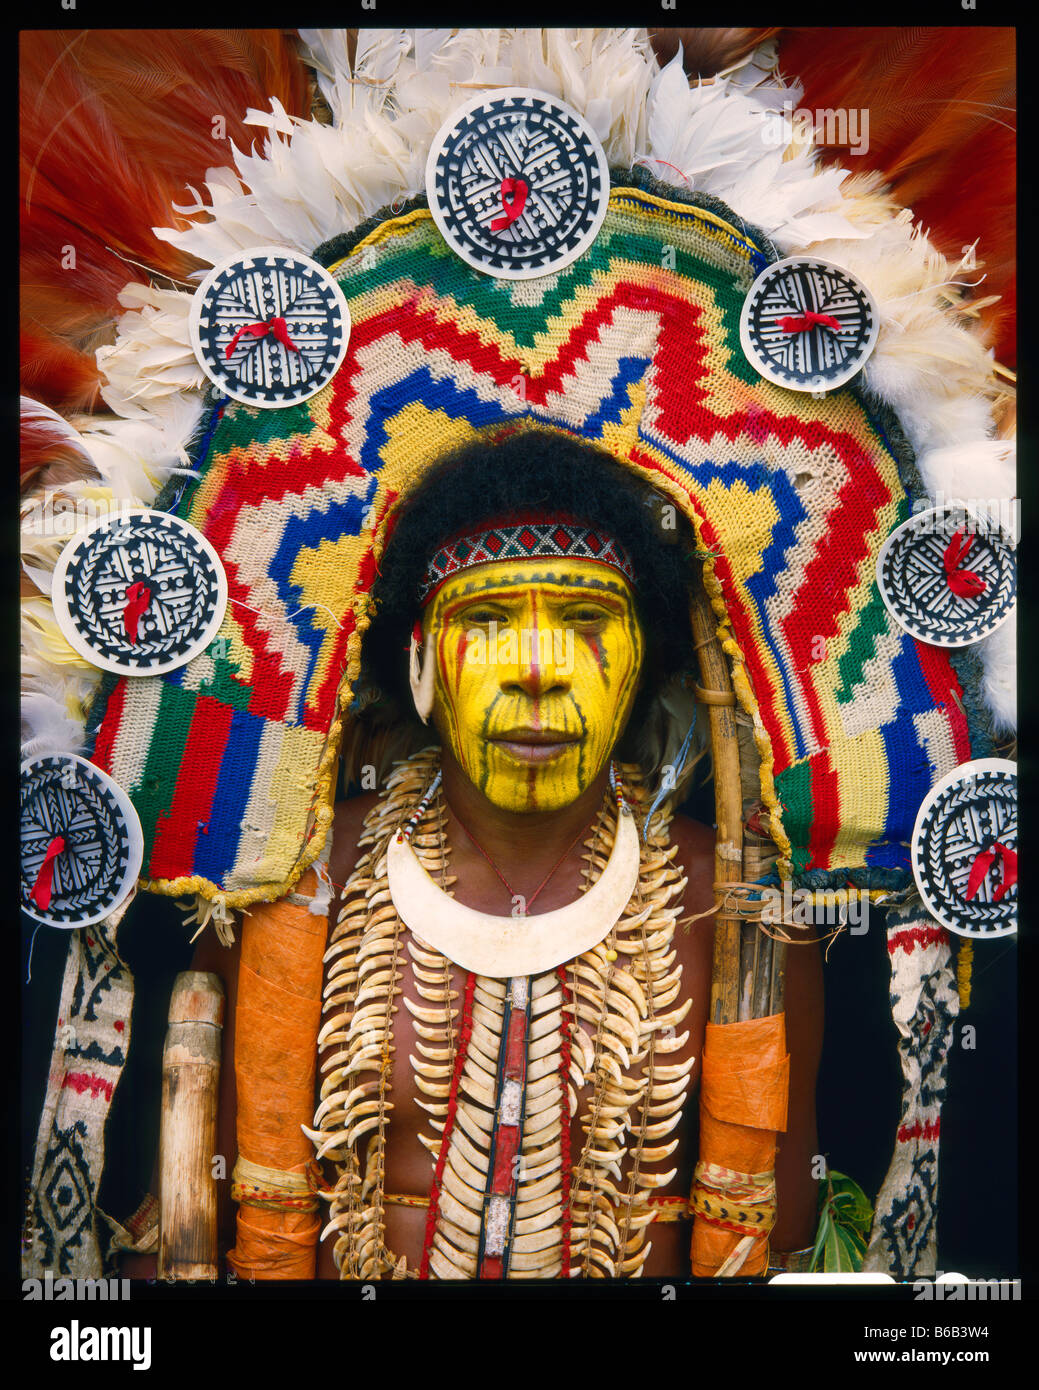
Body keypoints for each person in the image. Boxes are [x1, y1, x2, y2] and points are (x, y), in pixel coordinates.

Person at [185, 428, 823, 1280]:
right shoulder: (297, 872)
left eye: (584, 620)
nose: (536, 671)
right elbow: (218, 1218)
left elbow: (782, 1246)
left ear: (643, 660)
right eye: (484, 622)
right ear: (416, 659)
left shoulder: (734, 904)